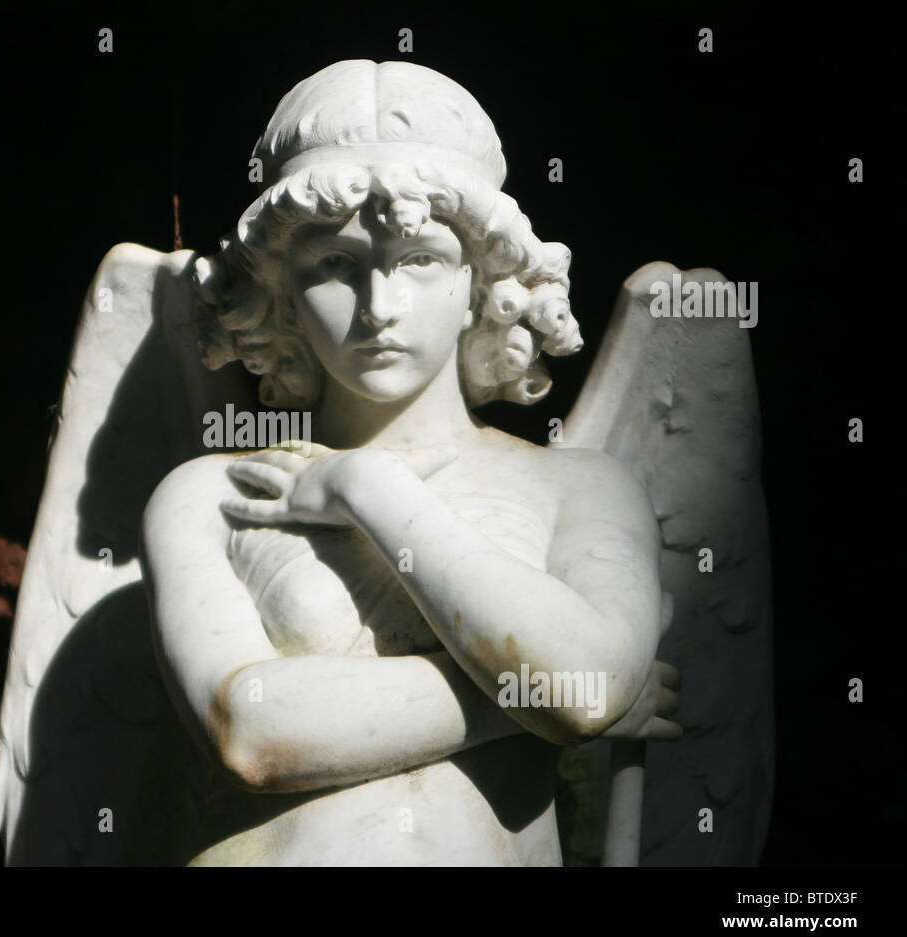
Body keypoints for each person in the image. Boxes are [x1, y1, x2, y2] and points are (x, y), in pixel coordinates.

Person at [140, 60, 680, 865]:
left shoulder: (579, 487)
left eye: (419, 258)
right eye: (334, 265)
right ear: (281, 291)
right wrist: (548, 696)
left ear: (479, 284)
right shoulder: (209, 495)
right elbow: (249, 731)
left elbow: (585, 690)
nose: (380, 308)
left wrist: (367, 488)